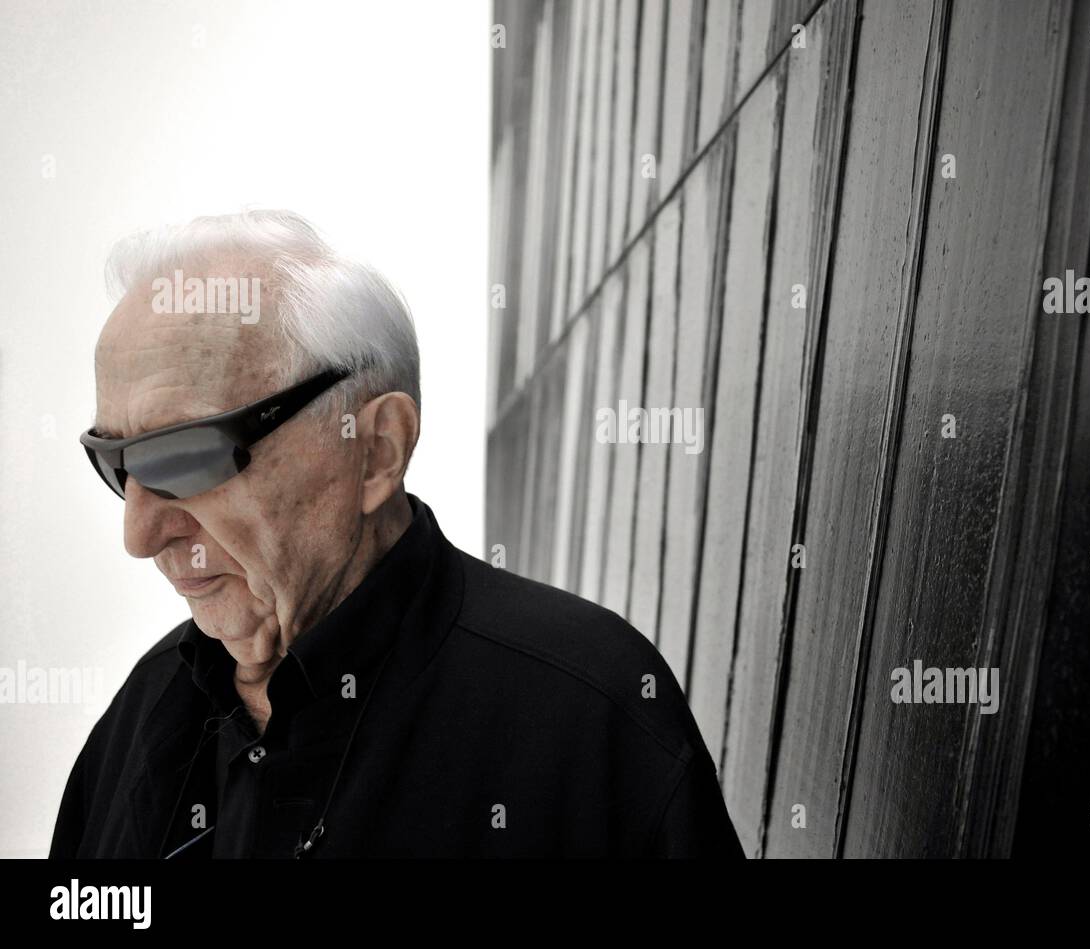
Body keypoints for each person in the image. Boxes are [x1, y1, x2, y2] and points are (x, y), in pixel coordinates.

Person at [52, 210, 744, 858]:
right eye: (116, 463)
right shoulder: (137, 723)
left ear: (377, 448)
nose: (139, 534)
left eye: (183, 456)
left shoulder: (590, 717)